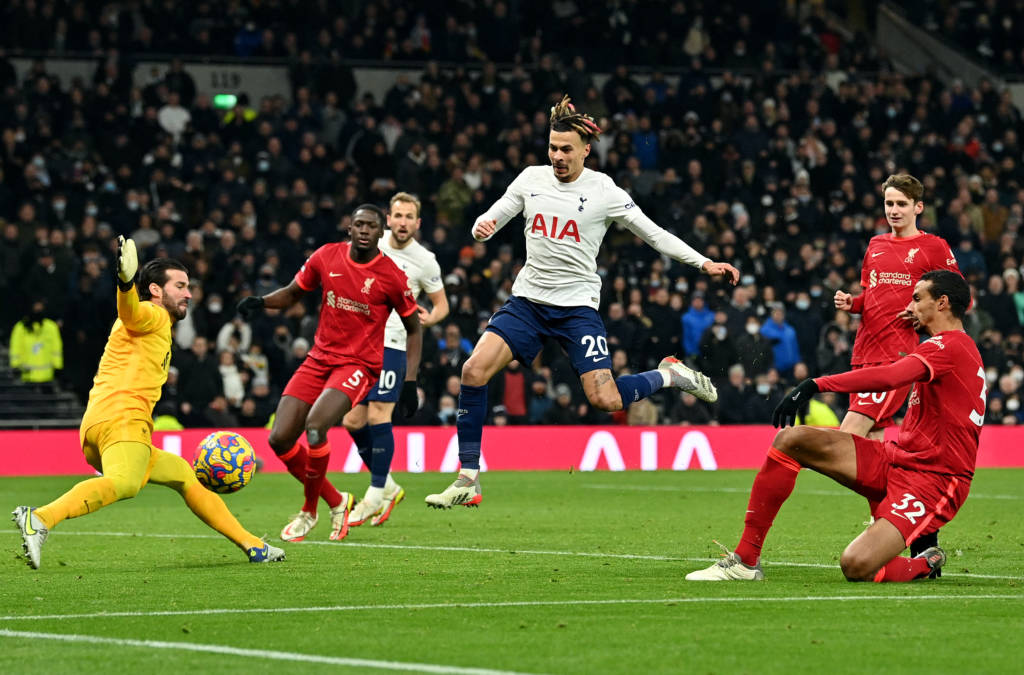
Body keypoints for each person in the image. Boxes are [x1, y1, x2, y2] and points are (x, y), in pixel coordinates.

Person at [425, 95, 738, 508]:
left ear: (586, 150)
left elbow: (655, 234)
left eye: (566, 149)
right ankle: (468, 477)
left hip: (576, 309)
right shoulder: (530, 179)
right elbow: (494, 215)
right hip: (529, 302)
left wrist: (703, 263)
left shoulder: (604, 191)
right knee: (473, 369)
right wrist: (482, 226)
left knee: (605, 400)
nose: (557, 156)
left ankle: (670, 375)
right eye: (552, 147)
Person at [686, 270, 981, 582]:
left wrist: (816, 383)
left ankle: (924, 563)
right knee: (791, 439)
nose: (910, 306)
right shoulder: (940, 347)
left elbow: (890, 375)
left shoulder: (951, 347)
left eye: (917, 298)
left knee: (855, 565)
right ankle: (745, 561)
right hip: (897, 460)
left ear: (942, 303)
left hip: (934, 481)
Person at [12, 238, 284, 569]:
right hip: (123, 420)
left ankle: (253, 545)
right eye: (180, 286)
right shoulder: (153, 315)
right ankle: (39, 518)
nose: (189, 294)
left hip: (105, 424)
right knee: (126, 484)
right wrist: (125, 283)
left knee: (185, 476)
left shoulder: (157, 326)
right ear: (155, 290)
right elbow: (130, 312)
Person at [236, 205, 421, 543]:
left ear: (382, 233)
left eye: (371, 226)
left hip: (358, 365)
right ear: (349, 228)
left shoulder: (390, 275)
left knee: (316, 426)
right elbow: (293, 292)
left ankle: (309, 511)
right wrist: (261, 302)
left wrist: (410, 381)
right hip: (319, 359)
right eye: (358, 224)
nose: (364, 230)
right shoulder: (326, 256)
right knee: (279, 439)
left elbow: (414, 328)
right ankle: (338, 501)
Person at [833, 174, 966, 559]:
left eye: (901, 204)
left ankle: (894, 517)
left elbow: (957, 297)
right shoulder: (874, 245)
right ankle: (900, 525)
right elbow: (873, 297)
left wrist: (925, 315)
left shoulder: (933, 247)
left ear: (917, 207)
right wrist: (852, 303)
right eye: (889, 204)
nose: (894, 211)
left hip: (896, 358)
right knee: (873, 448)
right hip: (864, 352)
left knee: (846, 439)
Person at [341, 193, 448, 528]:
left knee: (377, 414)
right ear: (388, 219)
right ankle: (388, 486)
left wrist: (432, 318)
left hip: (393, 346)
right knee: (352, 422)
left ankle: (373, 496)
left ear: (417, 222)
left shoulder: (425, 261)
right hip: (360, 345)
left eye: (409, 217)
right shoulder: (371, 243)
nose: (402, 222)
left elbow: (441, 304)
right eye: (398, 215)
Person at [9, 298, 63, 387]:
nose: (38, 311)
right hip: (26, 376)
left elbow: (56, 348)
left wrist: (58, 367)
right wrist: (15, 366)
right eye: (36, 308)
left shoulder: (51, 327)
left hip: (47, 377)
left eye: (40, 308)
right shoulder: (21, 327)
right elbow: (15, 347)